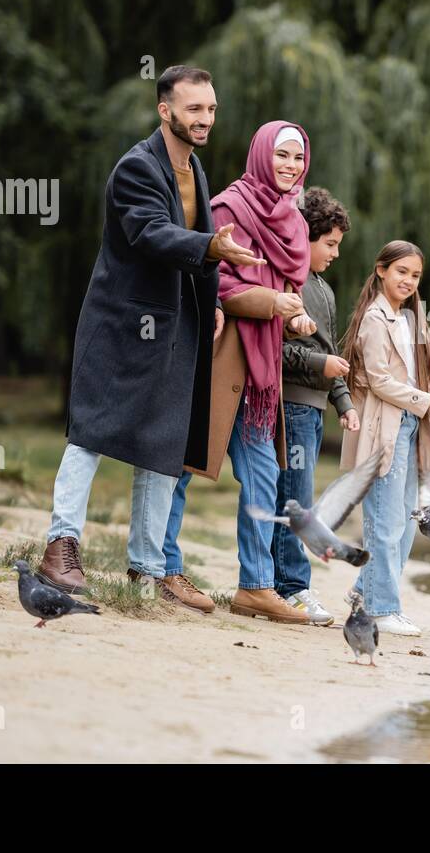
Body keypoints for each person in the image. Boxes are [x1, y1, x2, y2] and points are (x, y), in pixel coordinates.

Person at [37, 65, 263, 612]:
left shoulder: (196, 169)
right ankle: (59, 547)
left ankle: (146, 570)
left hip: (175, 330)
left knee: (163, 447)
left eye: (210, 109)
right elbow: (149, 233)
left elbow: (189, 249)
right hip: (121, 325)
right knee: (90, 432)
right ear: (166, 111)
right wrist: (212, 246)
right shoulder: (137, 167)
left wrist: (208, 305)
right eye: (194, 109)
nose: (205, 119)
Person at [172, 120, 317, 625]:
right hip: (217, 356)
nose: (290, 166)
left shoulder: (295, 224)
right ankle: (163, 568)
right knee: (185, 465)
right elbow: (212, 282)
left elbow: (283, 293)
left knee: (264, 474)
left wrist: (293, 317)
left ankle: (255, 586)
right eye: (281, 155)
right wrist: (271, 302)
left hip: (260, 372)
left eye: (297, 158)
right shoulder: (229, 206)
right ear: (261, 154)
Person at [338, 240, 430, 637]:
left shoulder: (407, 319)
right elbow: (378, 380)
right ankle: (381, 609)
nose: (408, 281)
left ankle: (365, 591)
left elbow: (406, 375)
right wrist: (427, 400)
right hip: (384, 428)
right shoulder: (375, 319)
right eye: (401, 272)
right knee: (385, 523)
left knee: (409, 522)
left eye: (415, 275)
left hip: (411, 426)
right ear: (381, 270)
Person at [269, 187, 359, 625]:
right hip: (291, 406)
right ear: (305, 236)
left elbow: (331, 348)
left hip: (315, 410)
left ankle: (278, 585)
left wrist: (342, 400)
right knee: (296, 502)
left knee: (295, 497)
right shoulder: (290, 284)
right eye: (330, 244)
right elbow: (278, 351)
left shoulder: (323, 288)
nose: (336, 253)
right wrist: (323, 366)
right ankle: (292, 588)